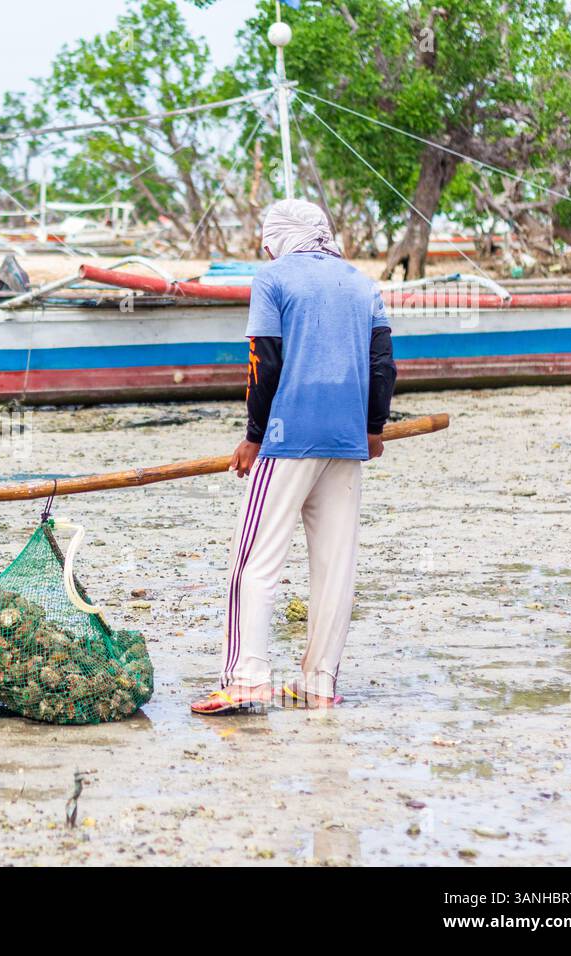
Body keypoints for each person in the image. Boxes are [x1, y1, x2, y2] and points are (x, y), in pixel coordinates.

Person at [191, 199, 397, 715]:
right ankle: (319, 684)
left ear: (282, 235)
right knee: (335, 566)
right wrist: (373, 428)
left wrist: (254, 437)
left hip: (287, 439)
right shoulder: (362, 282)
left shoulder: (273, 279)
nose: (264, 245)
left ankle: (247, 680)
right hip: (347, 442)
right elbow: (382, 363)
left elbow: (265, 360)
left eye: (268, 236)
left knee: (254, 562)